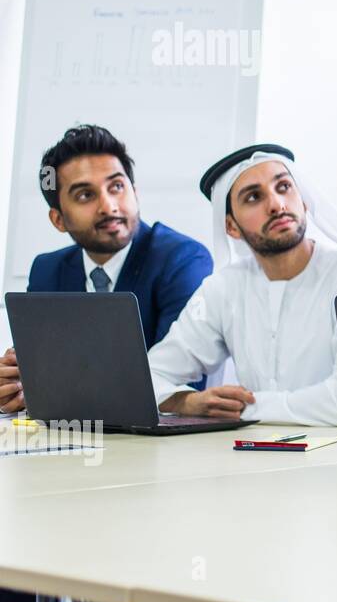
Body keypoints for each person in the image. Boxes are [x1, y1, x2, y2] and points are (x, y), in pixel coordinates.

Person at [147, 145, 337, 426]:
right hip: (250, 457)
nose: (277, 204)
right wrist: (186, 401)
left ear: (303, 201)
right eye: (254, 197)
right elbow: (149, 375)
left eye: (284, 187)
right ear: (231, 227)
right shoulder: (224, 288)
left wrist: (245, 410)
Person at [0, 124, 211, 415]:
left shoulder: (182, 260)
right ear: (58, 219)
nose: (109, 206)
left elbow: (176, 381)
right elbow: (38, 374)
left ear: (134, 193)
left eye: (116, 187)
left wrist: (56, 386)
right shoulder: (47, 270)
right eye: (85, 195)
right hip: (70, 443)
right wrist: (18, 387)